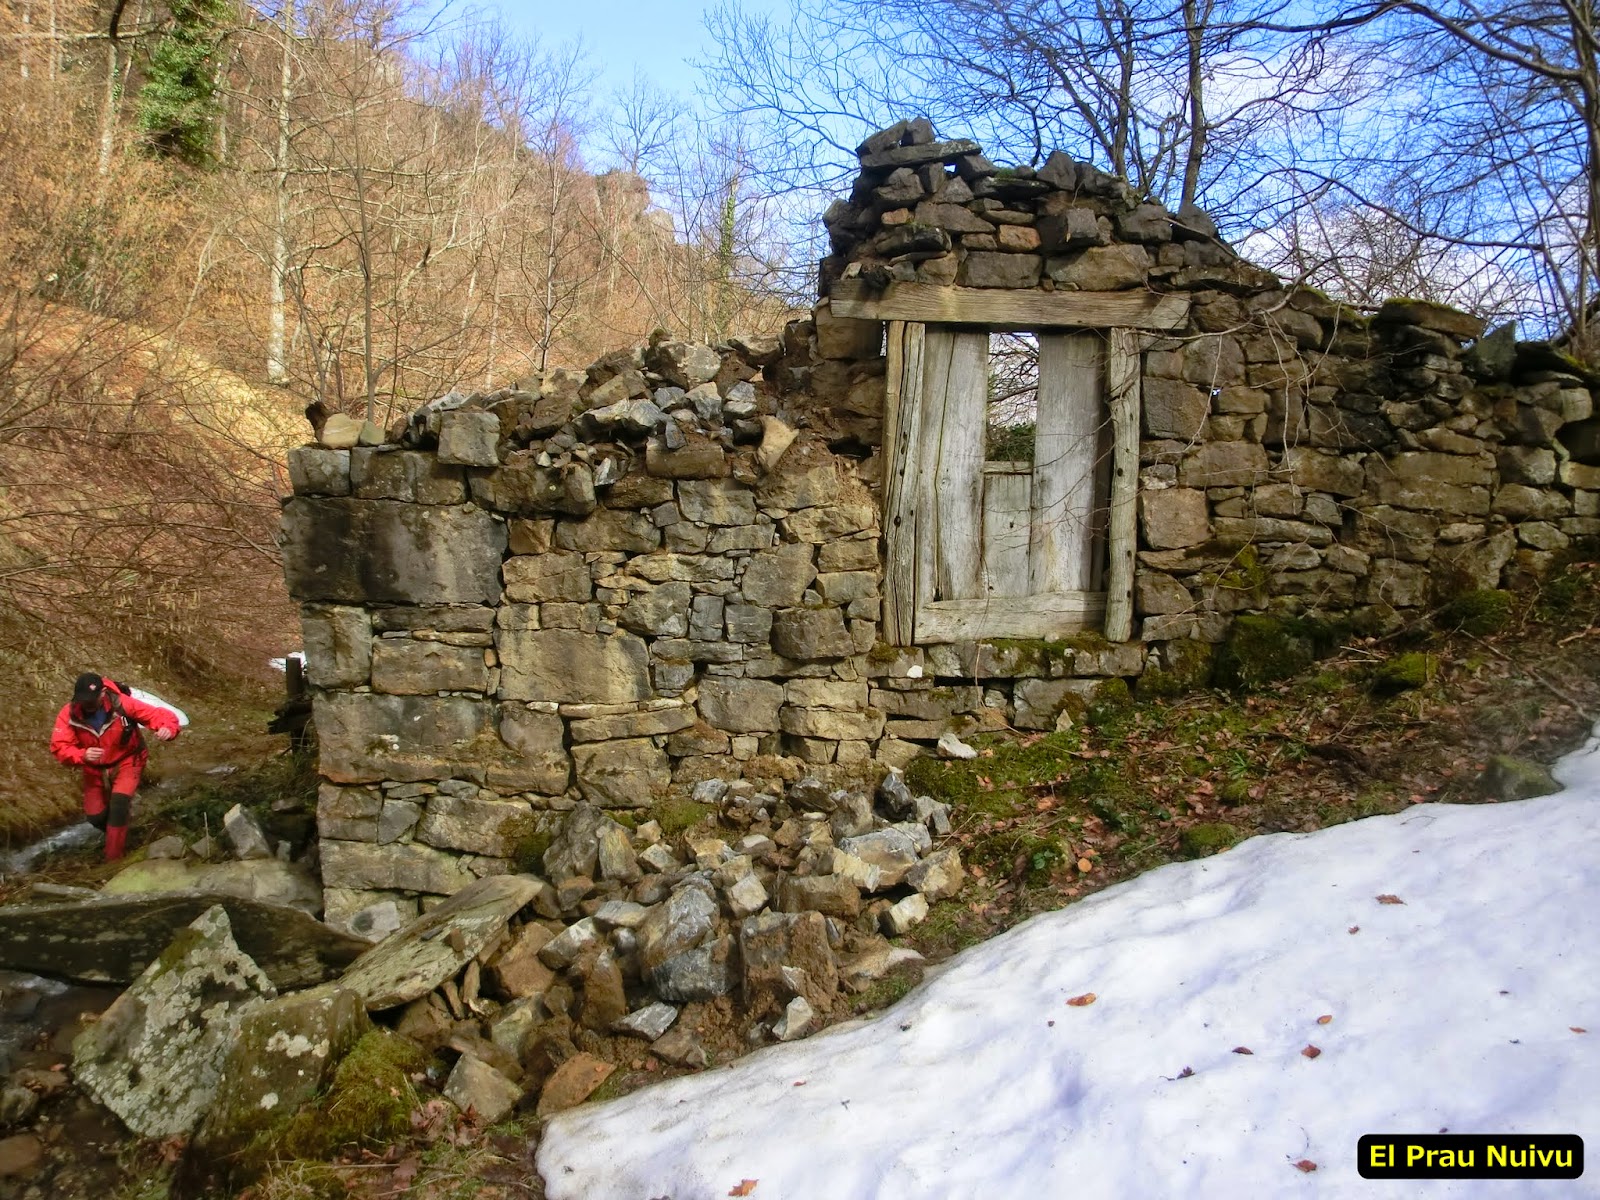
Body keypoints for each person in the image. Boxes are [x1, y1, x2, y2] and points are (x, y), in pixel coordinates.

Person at [49, 673, 180, 861]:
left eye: (91, 701)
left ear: (103, 693)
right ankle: (123, 834)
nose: (87, 705)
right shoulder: (69, 713)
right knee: (95, 817)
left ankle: (114, 859)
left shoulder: (122, 703)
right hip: (93, 768)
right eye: (84, 701)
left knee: (119, 804)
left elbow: (158, 715)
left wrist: (167, 728)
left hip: (128, 759)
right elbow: (60, 746)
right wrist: (81, 755)